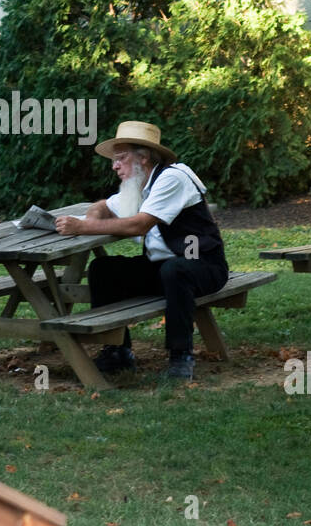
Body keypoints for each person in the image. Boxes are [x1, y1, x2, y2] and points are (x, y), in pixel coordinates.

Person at [55, 120, 228, 381]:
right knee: (104, 269)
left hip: (203, 265)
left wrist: (82, 227)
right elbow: (104, 205)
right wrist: (91, 218)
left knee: (175, 269)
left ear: (143, 157)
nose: (114, 166)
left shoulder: (172, 178)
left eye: (121, 158)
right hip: (165, 269)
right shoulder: (139, 185)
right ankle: (117, 351)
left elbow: (139, 225)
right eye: (114, 160)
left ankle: (181, 356)